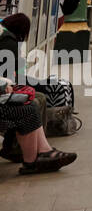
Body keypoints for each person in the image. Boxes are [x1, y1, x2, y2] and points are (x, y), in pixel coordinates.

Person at [0, 13, 75, 174]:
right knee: (30, 104)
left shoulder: (5, 38)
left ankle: (40, 153)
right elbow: (11, 74)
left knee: (30, 103)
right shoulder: (8, 41)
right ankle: (30, 156)